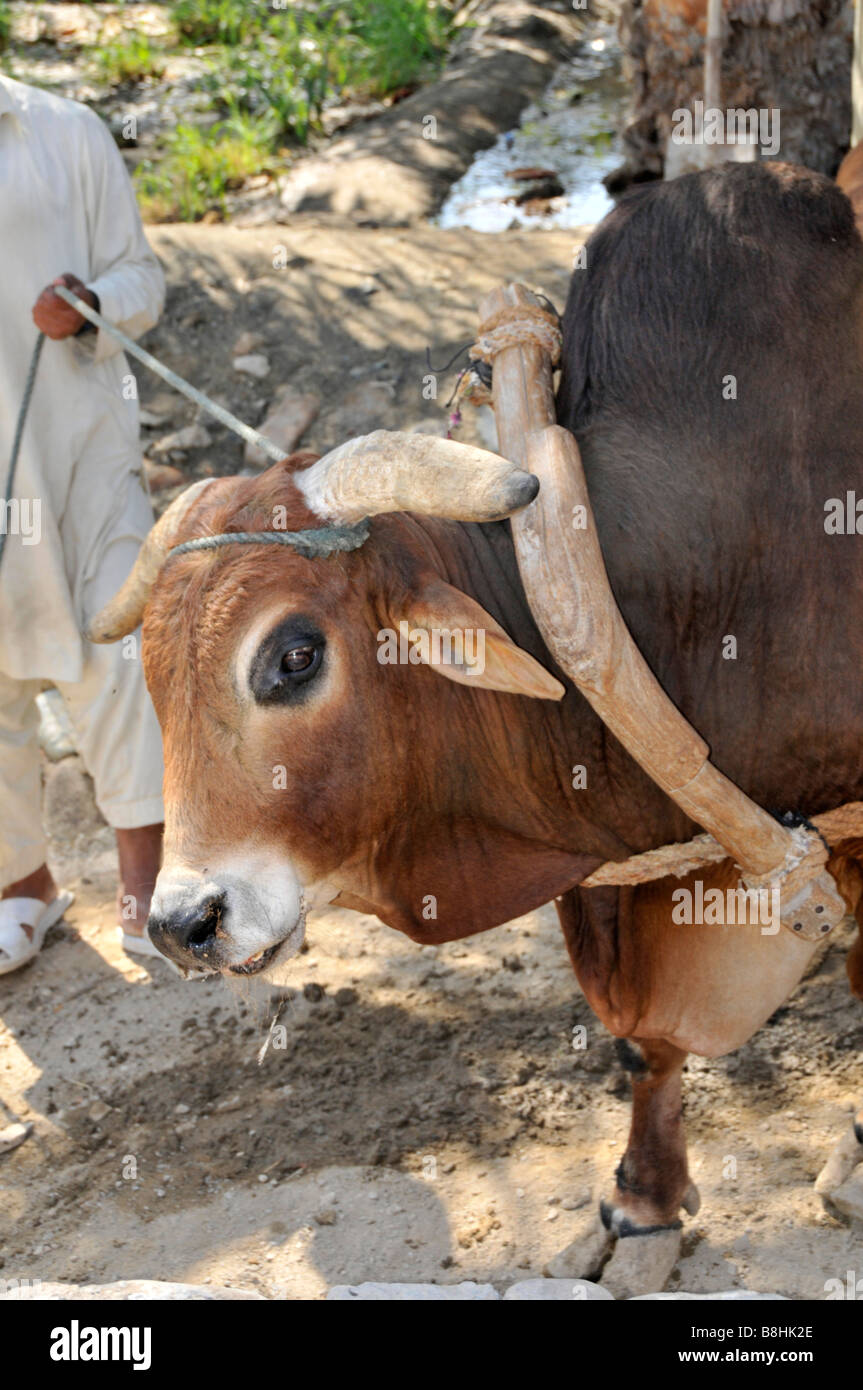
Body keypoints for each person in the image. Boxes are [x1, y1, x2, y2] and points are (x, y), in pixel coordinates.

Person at [0, 73, 167, 975]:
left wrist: (91, 305)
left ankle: (143, 882)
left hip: (80, 455)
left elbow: (143, 276)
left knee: (118, 653)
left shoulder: (64, 130)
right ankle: (21, 886)